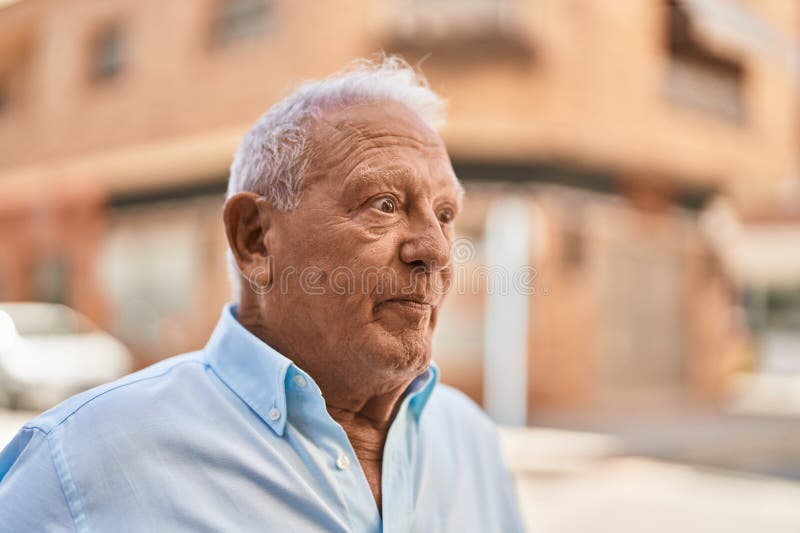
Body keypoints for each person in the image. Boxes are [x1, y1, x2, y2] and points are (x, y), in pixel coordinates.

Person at [0, 56, 524, 532]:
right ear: (255, 238)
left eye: (446, 214)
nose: (434, 248)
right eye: (384, 204)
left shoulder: (471, 441)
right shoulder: (77, 465)